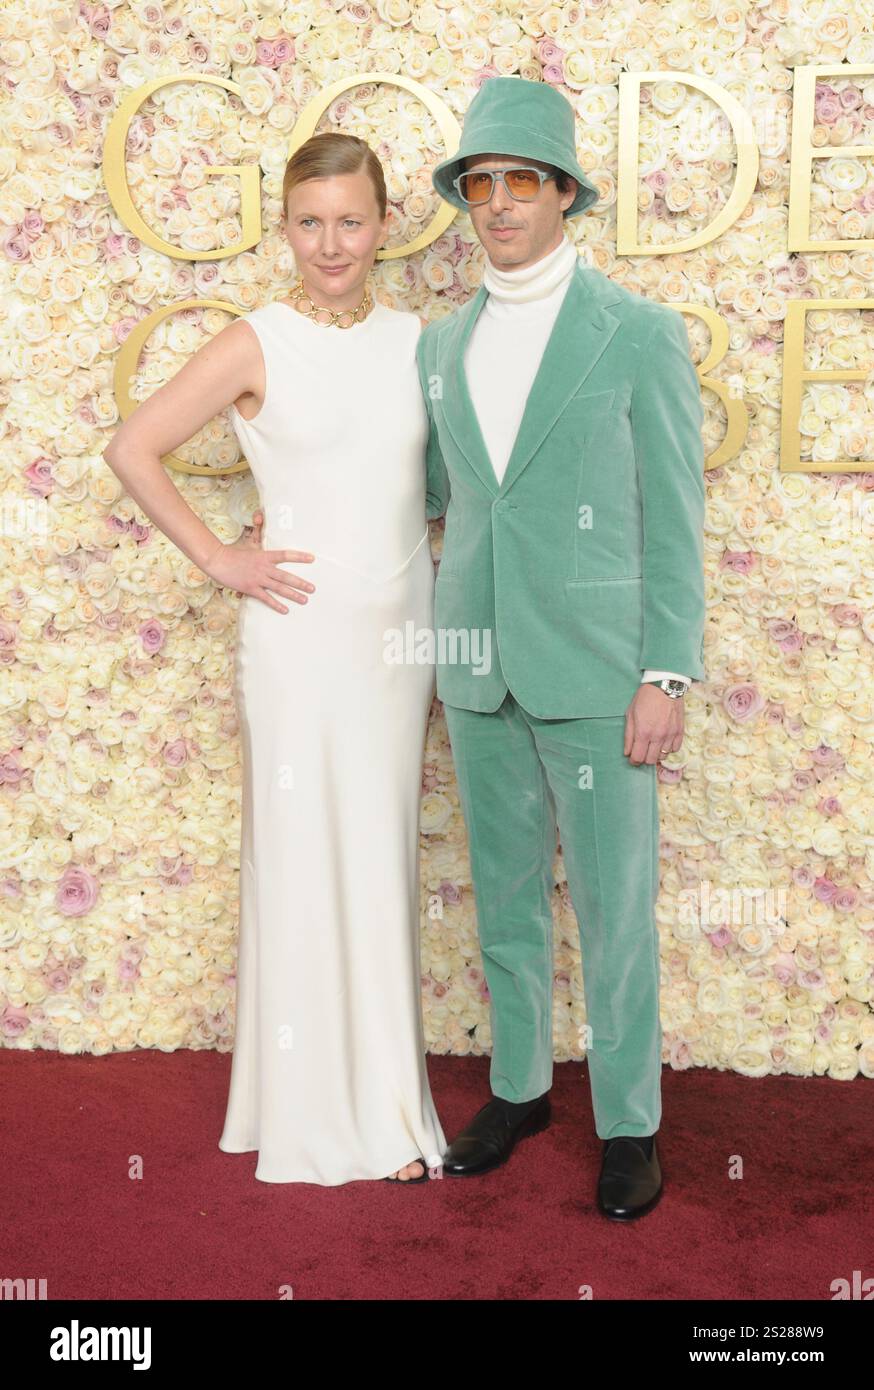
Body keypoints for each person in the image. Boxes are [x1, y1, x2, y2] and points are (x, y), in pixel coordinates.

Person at [103, 131, 446, 1186]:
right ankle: (303, 1112)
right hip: (295, 643)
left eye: (350, 220)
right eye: (309, 222)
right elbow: (131, 447)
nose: (330, 243)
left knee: (378, 855)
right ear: (284, 227)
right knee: (301, 859)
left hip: (399, 641)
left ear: (384, 225)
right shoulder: (254, 341)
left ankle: (389, 1105)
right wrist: (220, 557)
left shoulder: (420, 341)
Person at [417, 76, 706, 1219]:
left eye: (519, 182)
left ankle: (629, 1119)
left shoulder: (635, 334)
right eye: (479, 184)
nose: (496, 204)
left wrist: (662, 670)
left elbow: (676, 514)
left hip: (597, 668)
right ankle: (521, 1086)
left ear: (563, 195)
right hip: (478, 662)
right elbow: (446, 495)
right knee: (501, 894)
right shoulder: (440, 345)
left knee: (614, 903)